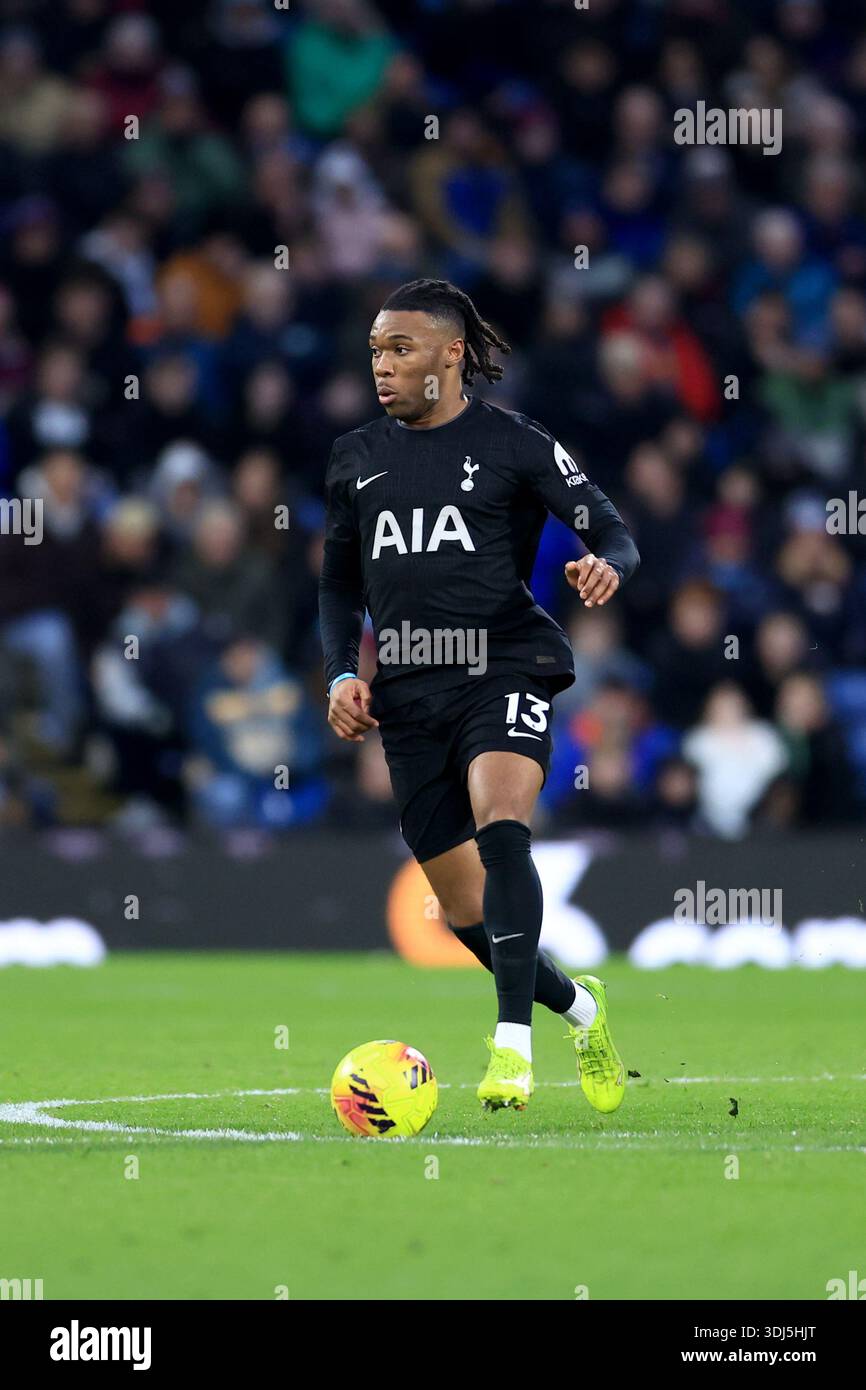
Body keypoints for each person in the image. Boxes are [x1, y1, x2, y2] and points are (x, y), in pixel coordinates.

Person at [318, 278, 639, 1114]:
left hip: (506, 664)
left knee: (503, 829)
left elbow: (614, 531)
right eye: (375, 352)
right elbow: (335, 588)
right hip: (410, 695)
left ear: (451, 353)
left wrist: (606, 564)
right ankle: (583, 1007)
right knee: (464, 910)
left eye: (401, 349)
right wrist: (342, 674)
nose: (382, 367)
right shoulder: (355, 458)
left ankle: (512, 1051)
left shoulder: (516, 444)